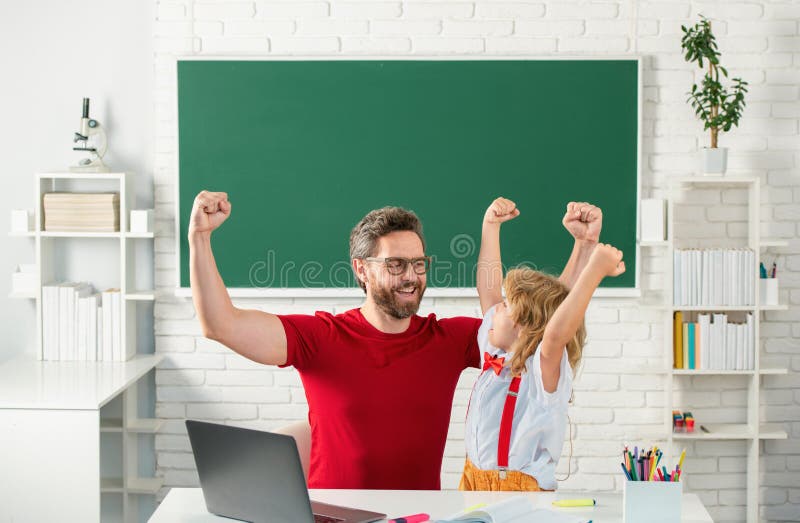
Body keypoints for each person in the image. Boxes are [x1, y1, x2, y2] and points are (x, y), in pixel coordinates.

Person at [188, 190, 603, 490]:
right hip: (333, 518)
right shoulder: (319, 336)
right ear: (362, 270)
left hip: (420, 518)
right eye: (397, 264)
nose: (412, 276)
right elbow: (220, 324)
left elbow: (542, 328)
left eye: (419, 264)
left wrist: (583, 248)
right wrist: (200, 239)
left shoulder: (448, 339)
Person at [459, 197, 625, 491]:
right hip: (473, 479)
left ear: (525, 328)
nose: (497, 306)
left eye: (507, 304)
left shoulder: (542, 371)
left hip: (519, 491)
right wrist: (490, 226)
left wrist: (594, 271)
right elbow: (487, 286)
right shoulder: (496, 349)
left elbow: (555, 332)